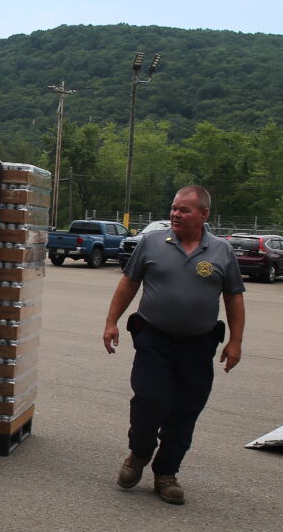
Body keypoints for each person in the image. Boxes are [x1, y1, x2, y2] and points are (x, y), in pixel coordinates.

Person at [101, 185, 246, 505]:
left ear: (204, 214)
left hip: (198, 346)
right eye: (174, 208)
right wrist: (112, 322)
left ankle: (166, 473)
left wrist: (235, 341)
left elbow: (233, 297)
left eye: (184, 210)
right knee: (150, 400)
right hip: (154, 339)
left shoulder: (222, 251)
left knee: (185, 411)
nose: (175, 214)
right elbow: (129, 282)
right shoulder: (152, 242)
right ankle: (138, 454)